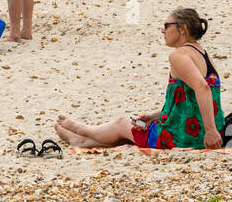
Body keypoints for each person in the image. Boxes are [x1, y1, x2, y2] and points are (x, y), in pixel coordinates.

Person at [54, 8, 223, 151]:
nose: (162, 31)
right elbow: (188, 99)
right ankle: (82, 141)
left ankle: (80, 129)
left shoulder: (179, 55)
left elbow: (203, 88)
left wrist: (210, 131)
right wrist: (154, 116)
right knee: (132, 131)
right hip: (200, 132)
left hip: (184, 138)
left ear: (183, 29)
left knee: (122, 123)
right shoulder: (203, 54)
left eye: (166, 26)